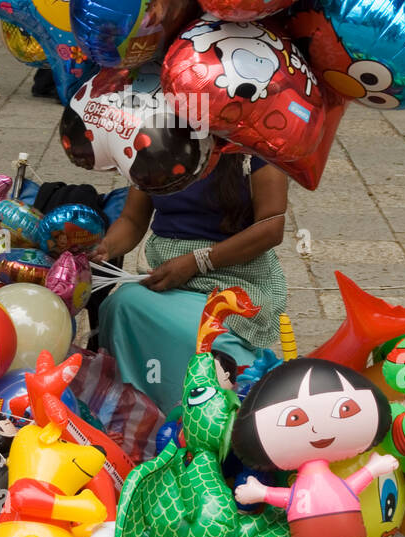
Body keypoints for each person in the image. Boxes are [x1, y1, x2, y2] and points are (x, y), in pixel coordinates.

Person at [93, 153, 288, 413]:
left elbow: (271, 227)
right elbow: (132, 219)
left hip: (235, 273)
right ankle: (138, 414)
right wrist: (106, 247)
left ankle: (217, 417)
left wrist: (197, 262)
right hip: (166, 272)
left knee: (212, 342)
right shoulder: (155, 143)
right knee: (120, 306)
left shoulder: (254, 149)